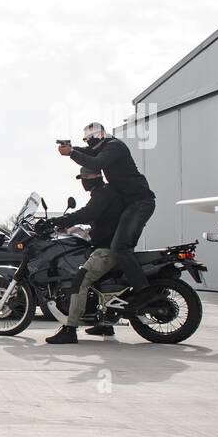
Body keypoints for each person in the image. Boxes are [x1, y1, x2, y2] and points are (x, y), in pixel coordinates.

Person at [58, 122, 156, 313]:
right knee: (117, 246)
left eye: (91, 139)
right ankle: (110, 308)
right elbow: (89, 153)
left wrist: (71, 153)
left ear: (102, 135)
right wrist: (71, 148)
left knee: (120, 248)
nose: (89, 142)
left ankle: (145, 293)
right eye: (87, 140)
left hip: (140, 202)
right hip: (132, 204)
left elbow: (95, 163)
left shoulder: (114, 146)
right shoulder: (104, 147)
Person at [46, 169, 124, 344]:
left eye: (86, 177)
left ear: (97, 176)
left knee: (80, 281)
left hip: (107, 250)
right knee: (97, 282)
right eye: (82, 178)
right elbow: (91, 216)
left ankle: (70, 329)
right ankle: (105, 323)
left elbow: (86, 214)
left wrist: (57, 221)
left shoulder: (103, 194)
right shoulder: (103, 193)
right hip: (109, 247)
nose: (84, 181)